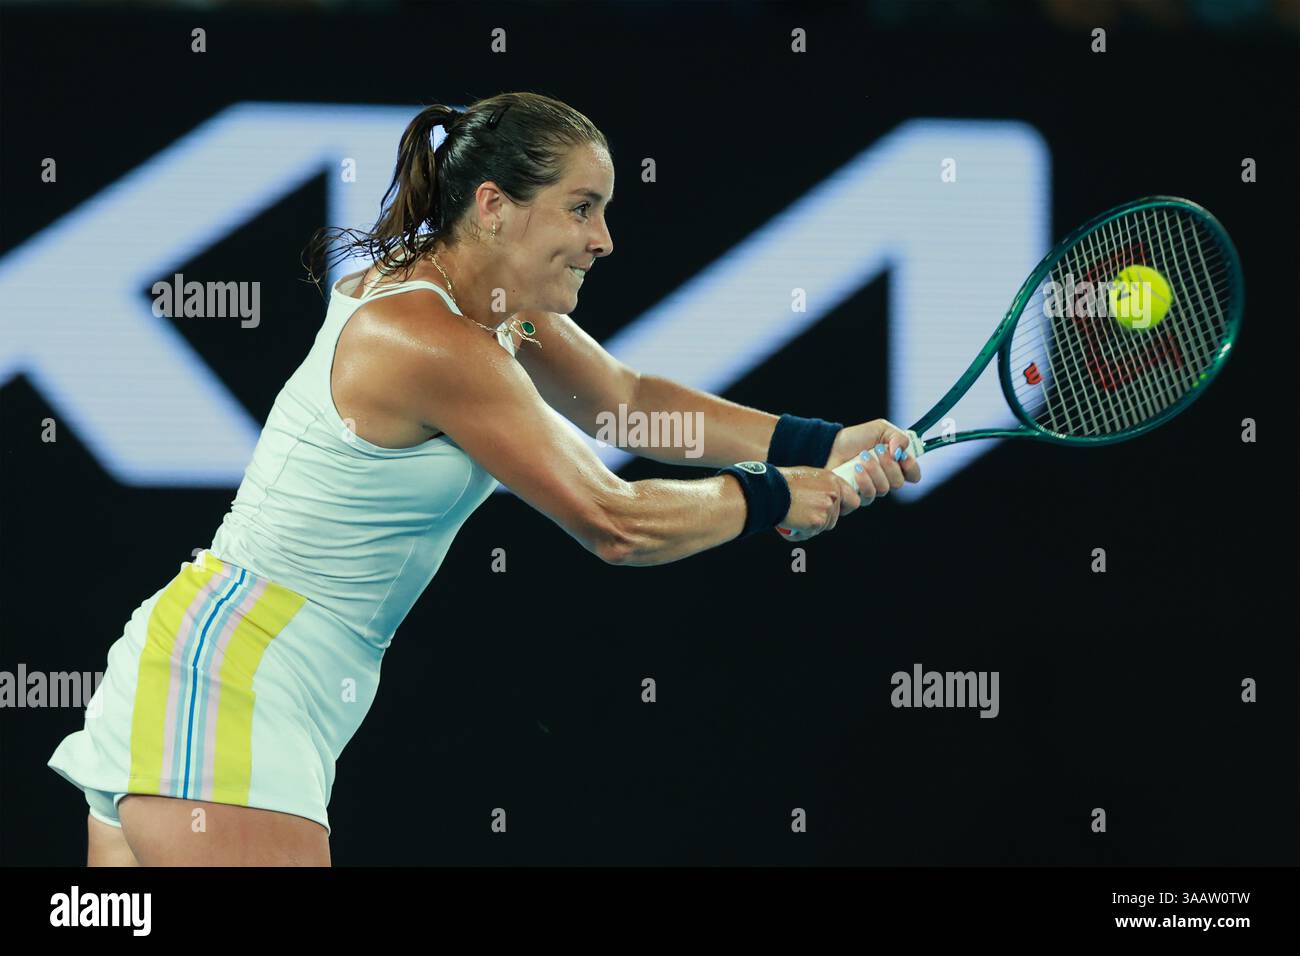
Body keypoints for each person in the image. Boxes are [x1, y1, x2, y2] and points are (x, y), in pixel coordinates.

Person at [48, 91, 921, 866]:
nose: (603, 240)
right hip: (230, 686)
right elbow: (613, 521)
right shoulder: (431, 341)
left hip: (225, 672)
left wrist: (821, 439)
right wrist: (773, 493)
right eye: (582, 209)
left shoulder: (480, 302)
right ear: (495, 207)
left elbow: (624, 404)